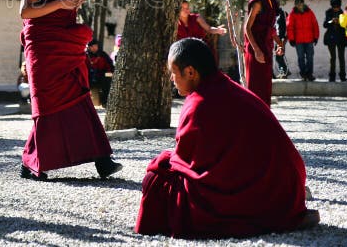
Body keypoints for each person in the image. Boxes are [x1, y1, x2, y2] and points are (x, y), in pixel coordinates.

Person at [135, 38, 319, 238]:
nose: (172, 78)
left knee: (155, 179)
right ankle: (283, 212)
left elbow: (185, 163)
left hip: (267, 193)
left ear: (190, 72)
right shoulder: (227, 86)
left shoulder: (198, 103)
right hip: (286, 189)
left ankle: (270, 215)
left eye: (173, 72)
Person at [19, 0, 121, 181]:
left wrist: (72, 5)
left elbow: (66, 18)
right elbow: (25, 11)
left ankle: (102, 160)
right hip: (43, 50)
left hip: (65, 50)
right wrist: (62, 4)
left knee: (80, 99)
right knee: (46, 106)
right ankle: (31, 164)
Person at [243, 0, 285, 105]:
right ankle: (252, 115)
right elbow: (247, 28)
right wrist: (256, 50)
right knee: (255, 84)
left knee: (266, 84)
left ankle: (265, 112)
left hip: (266, 47)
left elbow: (270, 28)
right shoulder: (258, 3)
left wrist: (280, 43)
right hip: (255, 48)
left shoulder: (273, 3)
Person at [286, 0, 320, 82]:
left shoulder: (310, 12)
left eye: (300, 3)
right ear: (295, 4)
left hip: (309, 39)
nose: (299, 5)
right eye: (297, 3)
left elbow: (315, 25)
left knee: (310, 58)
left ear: (303, 3)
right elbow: (290, 27)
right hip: (298, 40)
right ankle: (303, 74)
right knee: (301, 58)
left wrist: (316, 37)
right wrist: (291, 39)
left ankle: (310, 74)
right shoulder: (292, 14)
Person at [323, 0, 347, 82]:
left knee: (341, 57)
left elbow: (345, 25)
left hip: (341, 38)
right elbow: (325, 24)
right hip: (331, 38)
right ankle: (332, 76)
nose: (336, 8)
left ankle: (342, 76)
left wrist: (339, 22)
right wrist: (331, 21)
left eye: (337, 7)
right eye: (334, 7)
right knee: (332, 58)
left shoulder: (343, 13)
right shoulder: (328, 12)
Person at [85, 40, 114, 106]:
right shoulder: (85, 55)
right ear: (89, 47)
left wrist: (108, 72)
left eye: (96, 46)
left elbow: (110, 66)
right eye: (93, 46)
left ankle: (105, 102)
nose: (95, 47)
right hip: (89, 76)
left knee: (107, 80)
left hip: (101, 75)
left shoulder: (103, 55)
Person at [274, 6, 290, 79]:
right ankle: (284, 71)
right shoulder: (276, 15)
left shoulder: (283, 13)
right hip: (277, 39)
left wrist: (284, 40)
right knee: (278, 57)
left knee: (279, 57)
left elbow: (286, 27)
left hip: (282, 38)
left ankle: (284, 72)